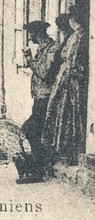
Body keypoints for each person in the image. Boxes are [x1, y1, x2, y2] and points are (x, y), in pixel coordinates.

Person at [14, 20, 61, 183]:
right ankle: (36, 170)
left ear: (38, 33)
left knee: (30, 129)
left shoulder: (53, 48)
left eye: (32, 33)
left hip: (47, 97)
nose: (30, 36)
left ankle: (37, 171)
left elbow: (43, 72)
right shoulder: (42, 48)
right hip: (39, 96)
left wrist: (29, 58)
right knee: (36, 132)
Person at [44, 9, 89, 165]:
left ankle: (71, 151)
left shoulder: (80, 36)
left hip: (71, 82)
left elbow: (73, 62)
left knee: (71, 115)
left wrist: (67, 80)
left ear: (74, 19)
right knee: (63, 114)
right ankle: (63, 150)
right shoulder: (75, 36)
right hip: (66, 79)